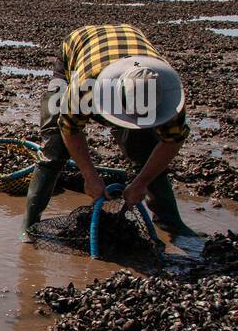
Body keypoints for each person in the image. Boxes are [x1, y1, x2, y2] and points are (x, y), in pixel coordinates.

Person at [22, 23, 198, 240]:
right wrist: (89, 175)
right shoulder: (85, 87)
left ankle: (171, 223)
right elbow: (69, 128)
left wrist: (141, 183)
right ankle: (29, 224)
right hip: (80, 48)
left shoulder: (169, 94)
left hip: (127, 43)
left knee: (143, 150)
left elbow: (172, 141)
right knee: (54, 151)